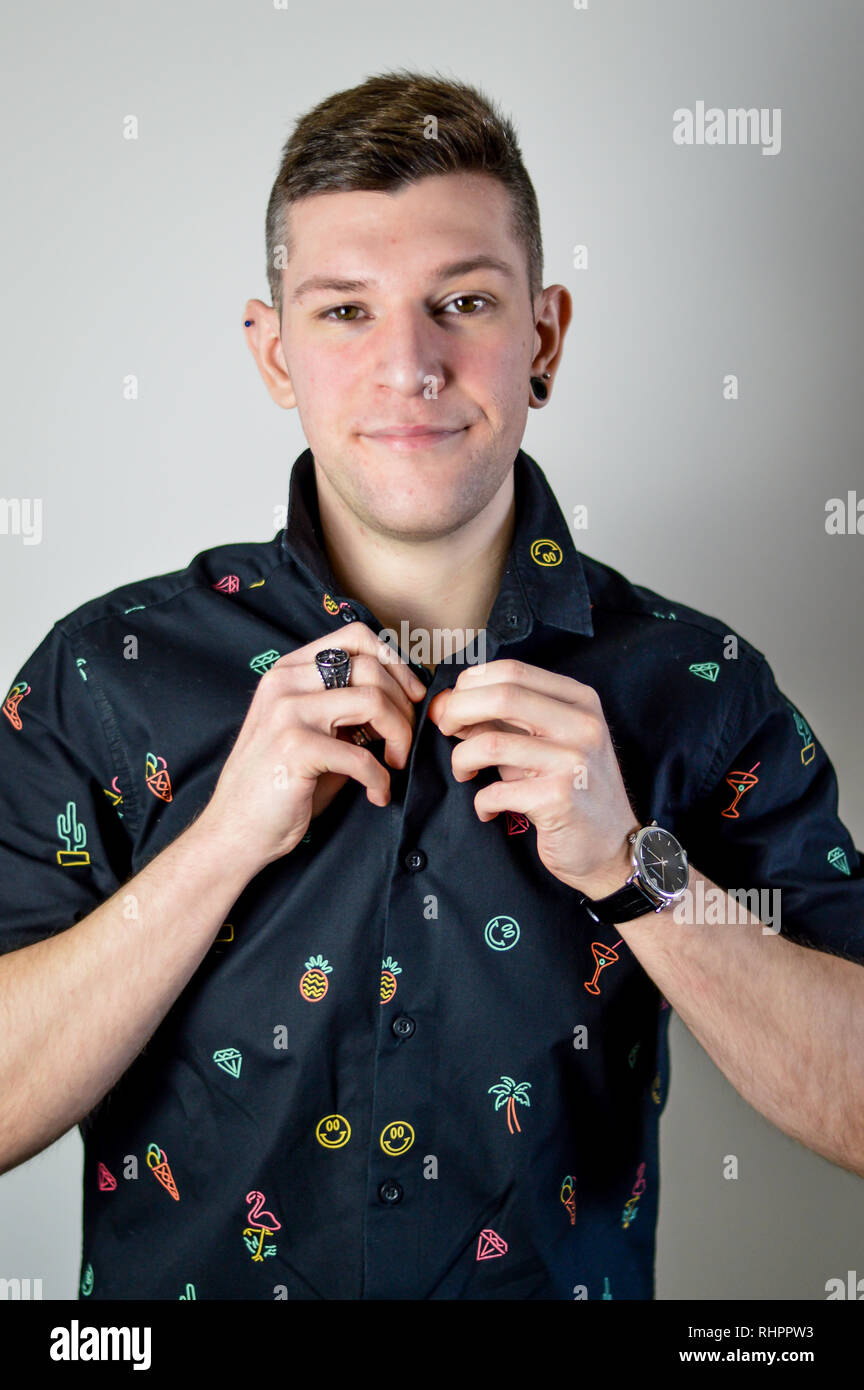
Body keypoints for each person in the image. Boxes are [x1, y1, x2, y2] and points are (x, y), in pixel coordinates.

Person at [1, 70, 862, 1303]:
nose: (409, 364)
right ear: (274, 351)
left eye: (462, 300)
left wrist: (640, 866)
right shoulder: (106, 670)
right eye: (346, 311)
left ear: (545, 335)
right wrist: (216, 847)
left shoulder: (697, 683)